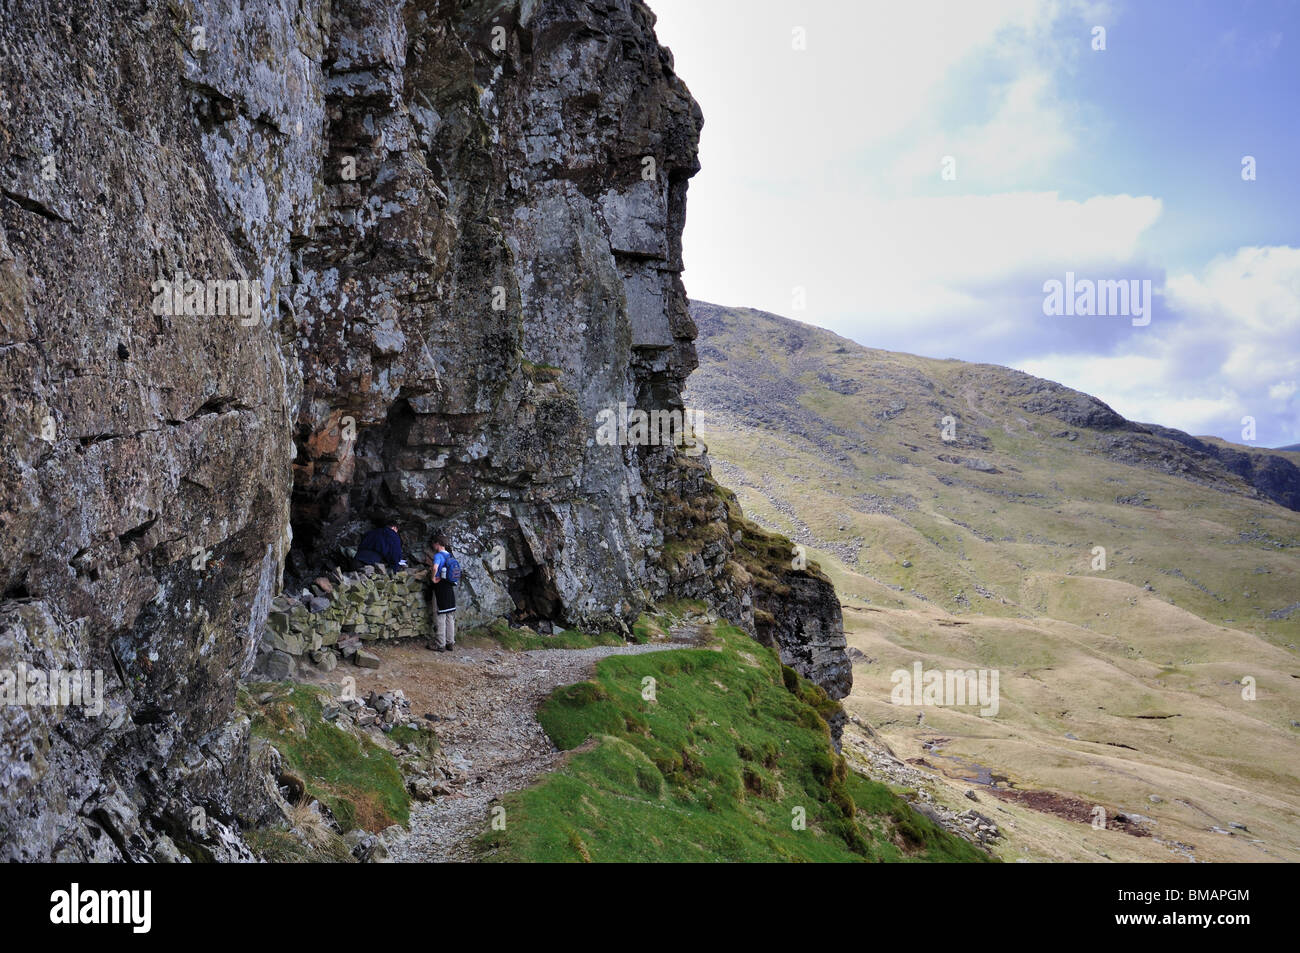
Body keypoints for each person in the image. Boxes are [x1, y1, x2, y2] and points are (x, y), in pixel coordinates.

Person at [424, 535, 457, 651]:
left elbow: (435, 568)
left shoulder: (438, 555)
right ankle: (450, 643)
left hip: (440, 588)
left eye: (433, 544)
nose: (433, 546)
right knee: (449, 616)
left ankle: (440, 644)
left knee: (440, 616)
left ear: (437, 543)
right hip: (449, 587)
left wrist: (433, 578)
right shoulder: (450, 555)